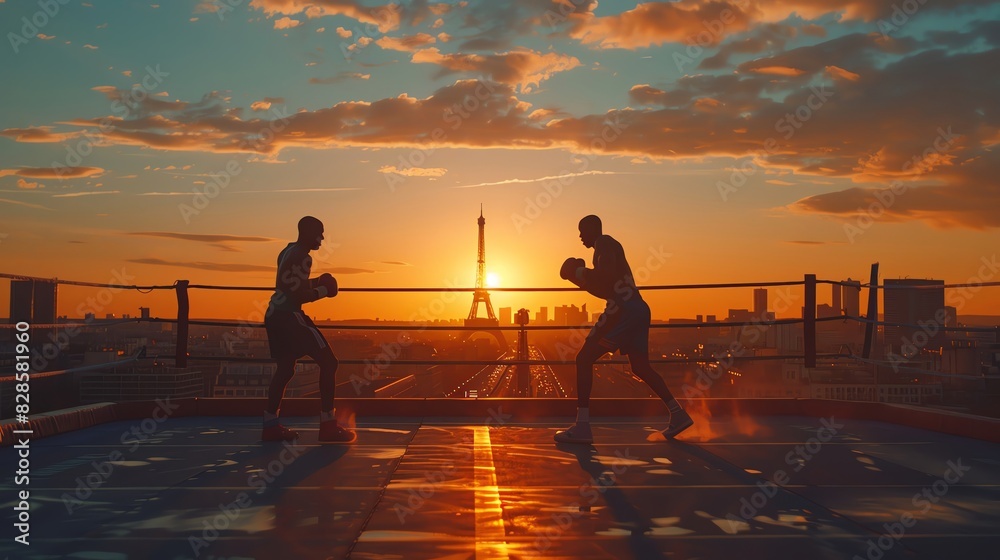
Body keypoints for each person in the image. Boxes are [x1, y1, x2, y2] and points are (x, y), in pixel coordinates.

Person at [555, 215, 693, 444]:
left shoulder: (604, 243)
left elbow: (606, 280)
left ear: (592, 230)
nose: (580, 236)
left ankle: (582, 426)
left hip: (622, 310)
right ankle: (677, 413)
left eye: (582, 231)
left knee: (583, 359)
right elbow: (606, 285)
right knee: (640, 367)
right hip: (637, 308)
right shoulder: (603, 248)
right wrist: (580, 276)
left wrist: (578, 273)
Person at [262, 216, 356, 443]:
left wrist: (316, 283)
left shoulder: (288, 251)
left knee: (285, 369)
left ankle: (270, 425)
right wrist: (324, 290)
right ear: (308, 232)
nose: (322, 238)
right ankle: (328, 426)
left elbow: (290, 284)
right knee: (329, 362)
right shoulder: (303, 257)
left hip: (274, 314)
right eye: (319, 233)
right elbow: (297, 295)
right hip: (290, 316)